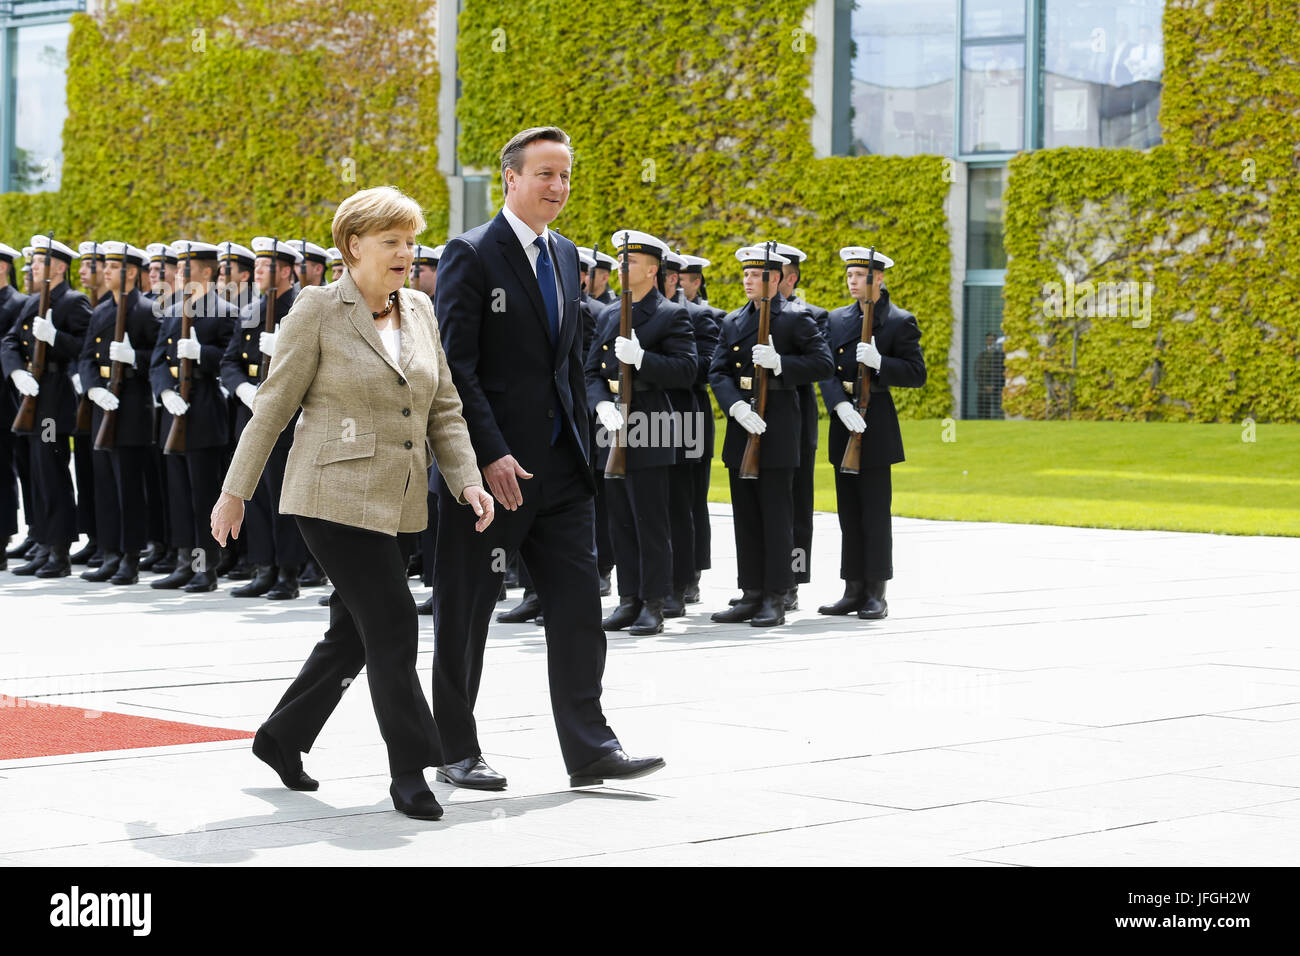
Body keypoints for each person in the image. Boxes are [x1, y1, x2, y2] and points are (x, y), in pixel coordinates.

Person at [211, 185, 494, 822]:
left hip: (394, 503)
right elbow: (272, 409)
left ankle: (281, 737)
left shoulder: (420, 308)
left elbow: (444, 408)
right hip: (329, 497)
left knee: (352, 635)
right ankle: (414, 768)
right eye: (391, 241)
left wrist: (467, 480)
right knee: (394, 624)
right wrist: (235, 494)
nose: (406, 254)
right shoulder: (315, 309)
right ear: (352, 247)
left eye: (411, 242)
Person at [432, 126, 664, 791]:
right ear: (510, 178)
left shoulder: (565, 256)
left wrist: (588, 426)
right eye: (545, 175)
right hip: (488, 476)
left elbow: (564, 364)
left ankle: (590, 749)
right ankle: (453, 748)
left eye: (565, 176)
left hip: (562, 472)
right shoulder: (471, 254)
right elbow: (457, 369)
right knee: (467, 609)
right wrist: (490, 454)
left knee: (577, 610)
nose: (558, 188)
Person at [708, 244, 832, 627]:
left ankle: (777, 594)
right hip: (743, 425)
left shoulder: (795, 319)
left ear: (776, 279)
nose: (747, 280)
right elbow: (718, 372)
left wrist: (781, 364)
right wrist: (736, 407)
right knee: (745, 513)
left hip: (778, 426)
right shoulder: (732, 321)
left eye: (756, 274)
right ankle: (751, 591)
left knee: (777, 513)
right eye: (744, 274)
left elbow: (823, 363)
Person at [585, 230, 696, 636]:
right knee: (619, 519)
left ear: (652, 270)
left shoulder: (670, 315)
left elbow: (687, 370)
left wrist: (643, 359)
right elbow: (591, 371)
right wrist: (598, 403)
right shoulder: (610, 314)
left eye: (629, 261)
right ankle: (628, 599)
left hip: (650, 420)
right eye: (620, 260)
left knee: (649, 518)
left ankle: (654, 602)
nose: (621, 266)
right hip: (612, 421)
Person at [816, 248, 926, 620]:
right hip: (844, 418)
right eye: (848, 274)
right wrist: (839, 405)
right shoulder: (835, 319)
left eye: (859, 275)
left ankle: (876, 591)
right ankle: (852, 588)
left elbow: (916, 373)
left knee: (875, 512)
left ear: (878, 278)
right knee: (849, 512)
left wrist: (882, 364)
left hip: (875, 421)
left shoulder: (899, 321)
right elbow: (825, 370)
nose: (851, 280)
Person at [2, 235, 93, 578]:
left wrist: (56, 337)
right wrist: (14, 371)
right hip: (31, 394)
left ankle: (59, 550)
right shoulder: (32, 302)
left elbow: (86, 350)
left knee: (52, 471)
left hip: (55, 399)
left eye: (40, 263)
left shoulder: (73, 301)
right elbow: (10, 341)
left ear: (58, 267)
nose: (33, 268)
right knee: (36, 472)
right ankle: (41, 542)